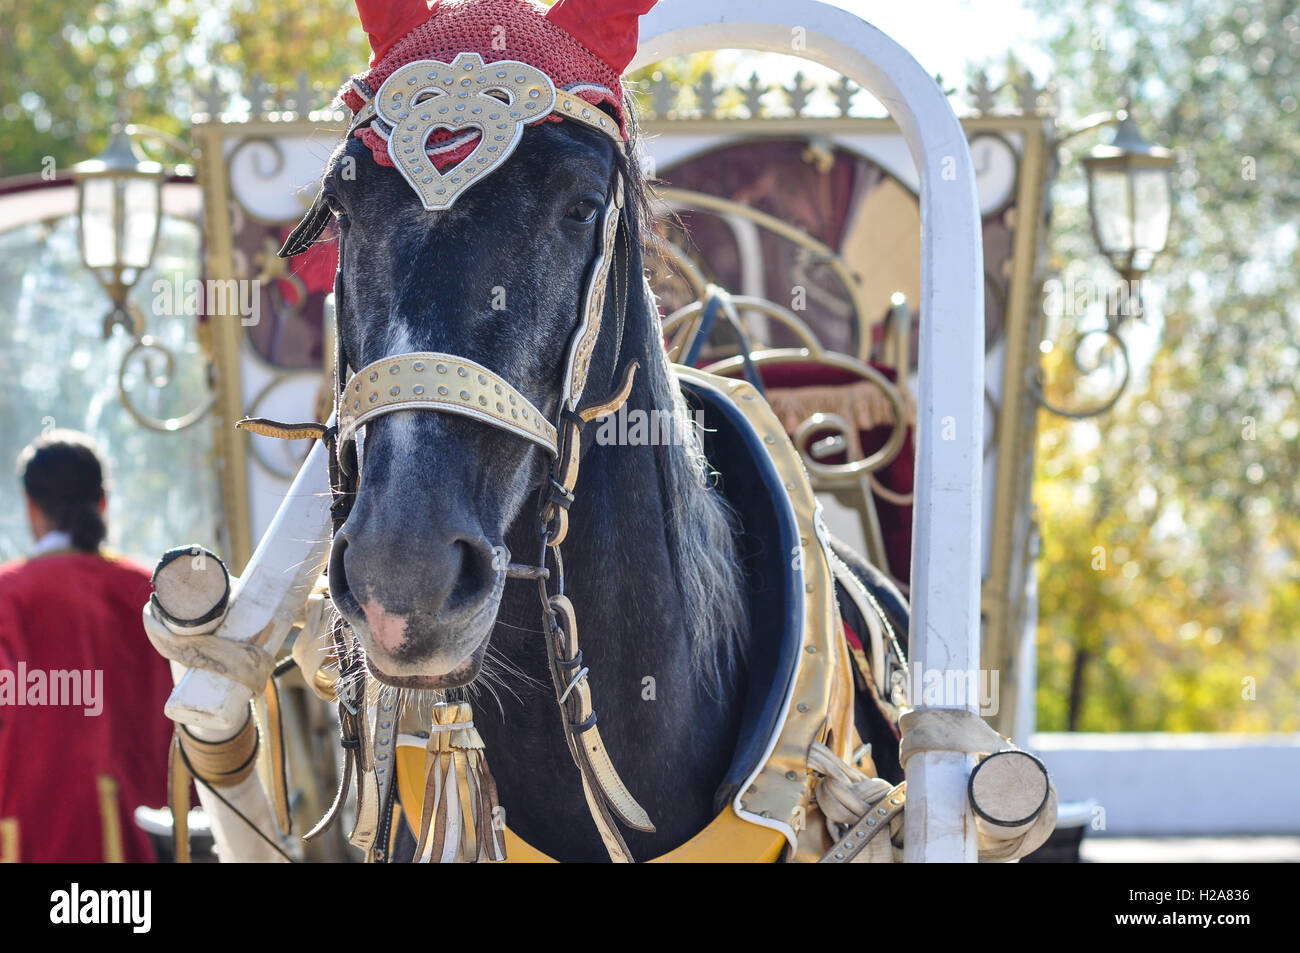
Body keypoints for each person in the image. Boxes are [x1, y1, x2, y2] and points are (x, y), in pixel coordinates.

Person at [0, 430, 174, 861]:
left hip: (33, 831)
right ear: (102, 502)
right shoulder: (149, 591)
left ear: (30, 507)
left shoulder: (9, 595)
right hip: (150, 831)